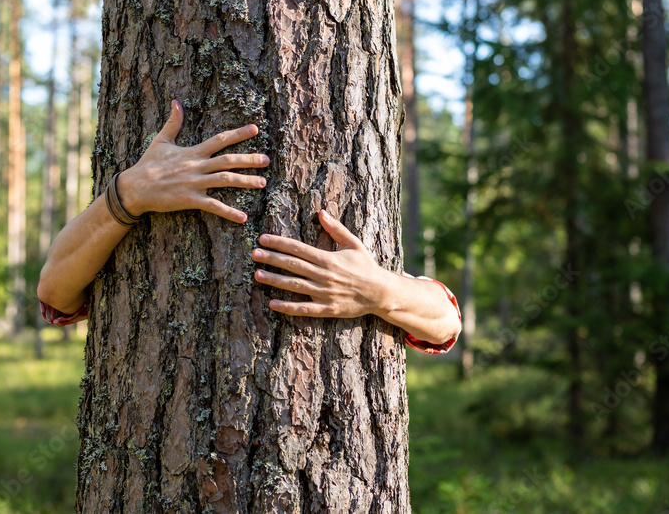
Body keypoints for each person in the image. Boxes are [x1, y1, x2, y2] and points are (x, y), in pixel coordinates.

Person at [38, 98, 462, 354]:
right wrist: (129, 193)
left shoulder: (362, 267)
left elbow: (446, 322)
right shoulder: (124, 222)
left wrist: (379, 291)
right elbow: (56, 295)